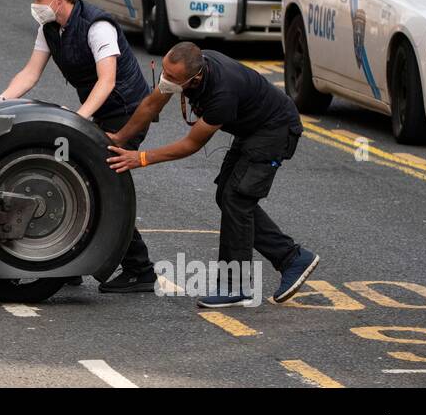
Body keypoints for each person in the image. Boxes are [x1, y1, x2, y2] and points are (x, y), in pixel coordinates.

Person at [106, 43, 321, 308]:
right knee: (227, 197)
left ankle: (236, 286)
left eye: (172, 78)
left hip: (274, 131)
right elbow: (151, 105)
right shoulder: (184, 71)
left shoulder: (222, 93)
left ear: (194, 78)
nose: (165, 80)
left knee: (237, 200)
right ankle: (291, 258)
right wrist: (119, 137)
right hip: (251, 129)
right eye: (164, 71)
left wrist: (140, 158)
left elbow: (190, 145)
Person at [0, 0, 159, 293]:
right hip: (98, 110)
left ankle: (140, 270)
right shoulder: (49, 28)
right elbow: (30, 73)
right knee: (76, 176)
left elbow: (108, 80)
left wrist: (79, 120)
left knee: (103, 180)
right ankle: (71, 262)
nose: (34, 5)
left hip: (127, 112)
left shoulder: (98, 27)